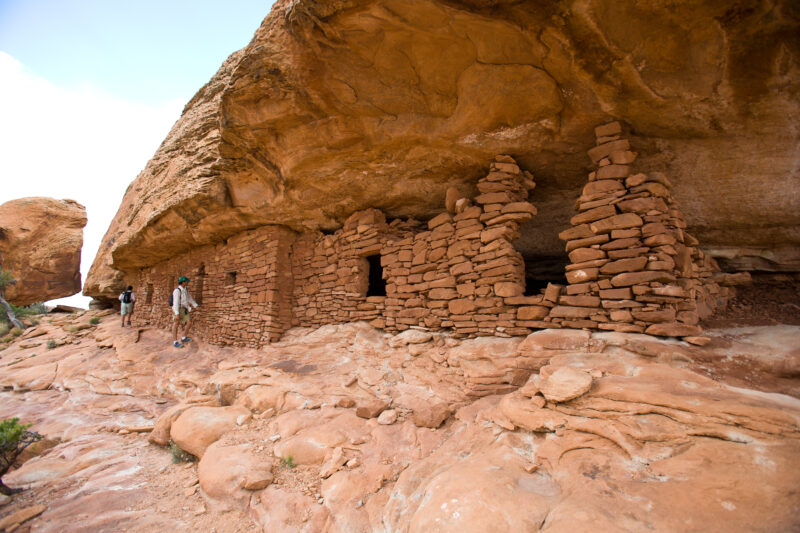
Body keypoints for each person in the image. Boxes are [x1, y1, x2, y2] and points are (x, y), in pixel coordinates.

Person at [171, 276, 198, 348]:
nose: (188, 283)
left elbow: (189, 298)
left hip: (184, 309)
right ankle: (175, 342)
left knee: (189, 322)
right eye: (186, 281)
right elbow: (175, 303)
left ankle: (184, 338)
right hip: (178, 308)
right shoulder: (177, 291)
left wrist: (195, 305)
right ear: (183, 282)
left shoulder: (185, 289)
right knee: (176, 324)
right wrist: (177, 313)